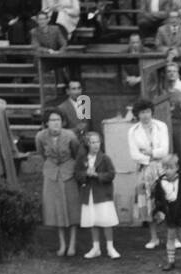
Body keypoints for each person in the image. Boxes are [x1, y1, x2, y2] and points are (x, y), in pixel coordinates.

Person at [36, 109, 82, 257]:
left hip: (68, 172)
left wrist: (71, 167)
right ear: (46, 123)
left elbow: (76, 152)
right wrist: (51, 165)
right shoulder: (41, 136)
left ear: (62, 122)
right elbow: (42, 153)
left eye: (58, 120)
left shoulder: (70, 136)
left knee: (71, 207)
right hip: (51, 173)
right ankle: (62, 243)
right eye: (52, 120)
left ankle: (73, 243)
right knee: (56, 209)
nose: (55, 123)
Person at [128, 98, 171, 249]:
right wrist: (151, 157)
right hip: (144, 169)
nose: (145, 115)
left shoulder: (162, 126)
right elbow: (134, 154)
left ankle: (173, 238)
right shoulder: (133, 131)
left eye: (147, 111)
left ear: (151, 111)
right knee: (148, 203)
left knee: (167, 201)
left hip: (163, 167)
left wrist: (151, 152)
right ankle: (154, 238)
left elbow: (165, 150)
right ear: (137, 114)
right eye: (141, 112)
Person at [76, 129, 120, 261]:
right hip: (89, 194)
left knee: (106, 221)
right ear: (87, 144)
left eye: (98, 142)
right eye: (92, 142)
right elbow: (77, 174)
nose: (96, 145)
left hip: (102, 194)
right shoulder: (82, 159)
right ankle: (95, 248)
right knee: (93, 220)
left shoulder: (105, 158)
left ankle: (110, 247)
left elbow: (111, 174)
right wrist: (85, 174)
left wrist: (97, 175)